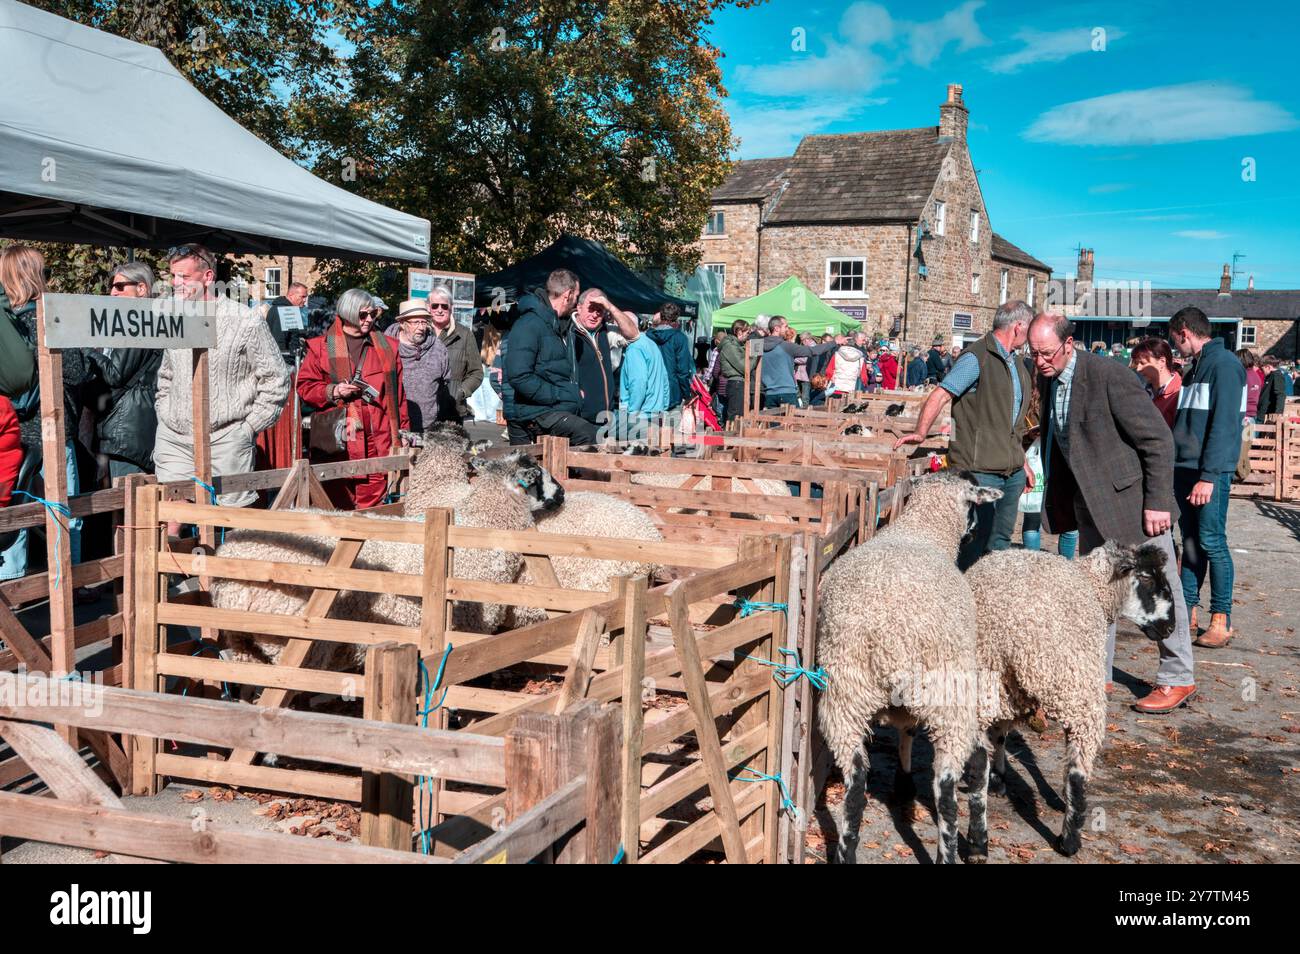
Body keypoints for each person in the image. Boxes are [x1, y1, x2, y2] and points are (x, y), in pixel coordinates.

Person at [1028, 312, 1194, 712]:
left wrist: (1156, 502)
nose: (1039, 361)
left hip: (1133, 505)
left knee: (1158, 589)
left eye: (1046, 353)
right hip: (1089, 506)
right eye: (1033, 353)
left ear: (1069, 344)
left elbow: (1157, 441)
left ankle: (1178, 677)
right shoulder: (1052, 379)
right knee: (1095, 597)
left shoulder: (1109, 376)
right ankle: (1093, 676)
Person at [895, 300, 1033, 570]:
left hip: (1011, 470)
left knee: (1001, 540)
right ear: (1018, 327)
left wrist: (1022, 461)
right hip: (979, 468)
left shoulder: (1016, 363)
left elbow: (1010, 421)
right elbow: (941, 394)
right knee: (974, 539)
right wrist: (920, 432)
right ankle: (959, 595)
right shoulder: (977, 358)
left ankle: (990, 597)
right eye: (1028, 330)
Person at [153, 244, 290, 516]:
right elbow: (166, 373)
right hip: (174, 434)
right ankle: (177, 558)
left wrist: (248, 427)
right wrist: (163, 409)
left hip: (226, 435)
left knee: (231, 517)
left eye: (184, 277)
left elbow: (276, 379)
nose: (176, 284)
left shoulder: (245, 320)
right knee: (172, 512)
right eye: (173, 276)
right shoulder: (172, 316)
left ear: (207, 277)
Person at [0, 245, 89, 580]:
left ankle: (12, 592)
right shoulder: (52, 314)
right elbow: (76, 372)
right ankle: (69, 582)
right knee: (64, 511)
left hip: (10, 430)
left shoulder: (5, 320)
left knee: (13, 514)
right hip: (51, 432)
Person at [1169, 306, 1247, 650]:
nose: (1176, 348)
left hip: (1207, 473)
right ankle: (1187, 611)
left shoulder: (1225, 366)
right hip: (1184, 469)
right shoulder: (1192, 371)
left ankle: (1222, 617)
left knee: (1212, 540)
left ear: (1185, 332)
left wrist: (1210, 475)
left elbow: (1225, 427)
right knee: (1189, 543)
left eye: (1175, 341)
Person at [298, 288, 408, 509]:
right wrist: (334, 391)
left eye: (373, 314)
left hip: (377, 437)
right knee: (334, 502)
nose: (369, 319)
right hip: (336, 438)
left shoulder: (388, 348)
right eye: (363, 315)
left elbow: (398, 397)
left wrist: (403, 433)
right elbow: (305, 386)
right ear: (348, 313)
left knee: (373, 506)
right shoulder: (320, 347)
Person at [86, 261, 162, 479]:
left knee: (129, 502)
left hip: (128, 430)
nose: (112, 292)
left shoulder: (138, 322)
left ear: (142, 288)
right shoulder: (147, 320)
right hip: (129, 425)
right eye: (111, 286)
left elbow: (114, 373)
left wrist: (86, 349)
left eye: (120, 287)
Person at [503, 269, 596, 445]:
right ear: (568, 295)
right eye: (576, 296)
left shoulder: (563, 327)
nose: (576, 303)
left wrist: (573, 393)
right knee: (586, 434)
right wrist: (562, 394)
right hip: (535, 412)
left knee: (591, 434)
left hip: (556, 409)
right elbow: (519, 376)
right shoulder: (530, 324)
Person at [384, 299, 451, 430]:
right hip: (392, 427)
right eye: (416, 322)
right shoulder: (386, 348)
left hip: (428, 428)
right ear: (402, 324)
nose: (421, 327)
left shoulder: (438, 348)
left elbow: (445, 383)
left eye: (424, 322)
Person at [425, 285, 482, 423]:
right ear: (428, 307)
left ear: (451, 308)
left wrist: (461, 392)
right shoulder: (421, 332)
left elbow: (476, 372)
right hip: (423, 409)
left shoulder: (464, 335)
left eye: (444, 306)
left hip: (452, 410)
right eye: (435, 306)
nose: (439, 310)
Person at [610, 305, 669, 432]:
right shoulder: (651, 343)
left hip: (640, 415)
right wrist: (663, 407)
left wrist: (632, 413)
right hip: (654, 412)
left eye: (616, 327)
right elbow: (665, 379)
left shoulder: (634, 348)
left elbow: (639, 382)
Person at [571, 288, 619, 429]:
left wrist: (610, 307)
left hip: (606, 417)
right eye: (591, 309)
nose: (594, 315)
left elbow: (633, 334)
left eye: (599, 311)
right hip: (581, 418)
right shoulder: (568, 331)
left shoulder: (605, 332)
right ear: (579, 308)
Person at [646, 303, 694, 409]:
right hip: (672, 392)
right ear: (676, 318)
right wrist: (687, 394)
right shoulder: (680, 338)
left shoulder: (647, 336)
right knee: (670, 424)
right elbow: (683, 370)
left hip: (650, 390)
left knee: (651, 424)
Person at [1129, 337, 1182, 428]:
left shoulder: (1181, 392)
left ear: (1162, 362)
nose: (1138, 369)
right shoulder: (1141, 392)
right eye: (1137, 364)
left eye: (1143, 363)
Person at [718, 319, 756, 422]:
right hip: (736, 384)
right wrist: (755, 355)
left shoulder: (737, 346)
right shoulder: (729, 346)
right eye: (747, 332)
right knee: (735, 418)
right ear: (739, 332)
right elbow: (744, 367)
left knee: (739, 417)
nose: (748, 335)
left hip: (739, 383)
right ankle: (731, 437)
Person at [263, 281, 309, 355]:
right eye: (302, 297)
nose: (304, 300)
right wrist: (287, 362)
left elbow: (293, 336)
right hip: (284, 361)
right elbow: (278, 341)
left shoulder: (290, 309)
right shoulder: (282, 311)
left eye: (306, 297)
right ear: (291, 295)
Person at [1237, 349, 1263, 425]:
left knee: (1244, 436)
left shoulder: (1244, 375)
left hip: (1244, 415)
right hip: (1251, 414)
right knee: (1248, 437)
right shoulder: (1255, 375)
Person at [1258, 354, 1288, 419]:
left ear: (1268, 367)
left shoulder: (1277, 376)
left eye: (1262, 368)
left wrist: (1278, 414)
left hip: (1268, 416)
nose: (1261, 371)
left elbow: (1280, 395)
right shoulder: (1269, 376)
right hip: (1263, 413)